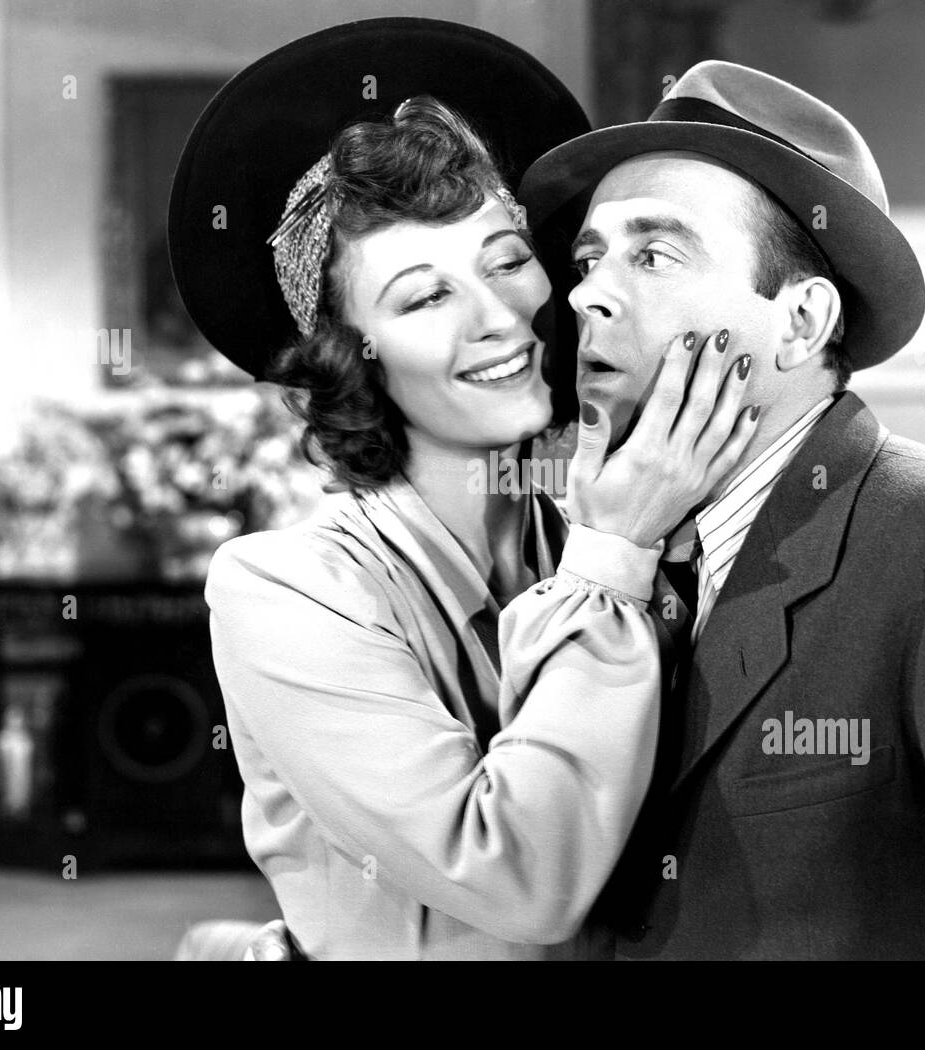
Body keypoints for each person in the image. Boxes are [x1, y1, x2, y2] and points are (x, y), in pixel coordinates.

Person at [519, 60, 925, 959]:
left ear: (800, 323)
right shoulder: (617, 557)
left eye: (654, 254)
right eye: (588, 258)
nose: (586, 292)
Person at [167, 22, 758, 960]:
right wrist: (616, 558)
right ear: (346, 358)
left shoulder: (592, 520)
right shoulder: (282, 586)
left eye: (505, 260)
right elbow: (518, 883)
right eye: (423, 297)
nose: (499, 322)